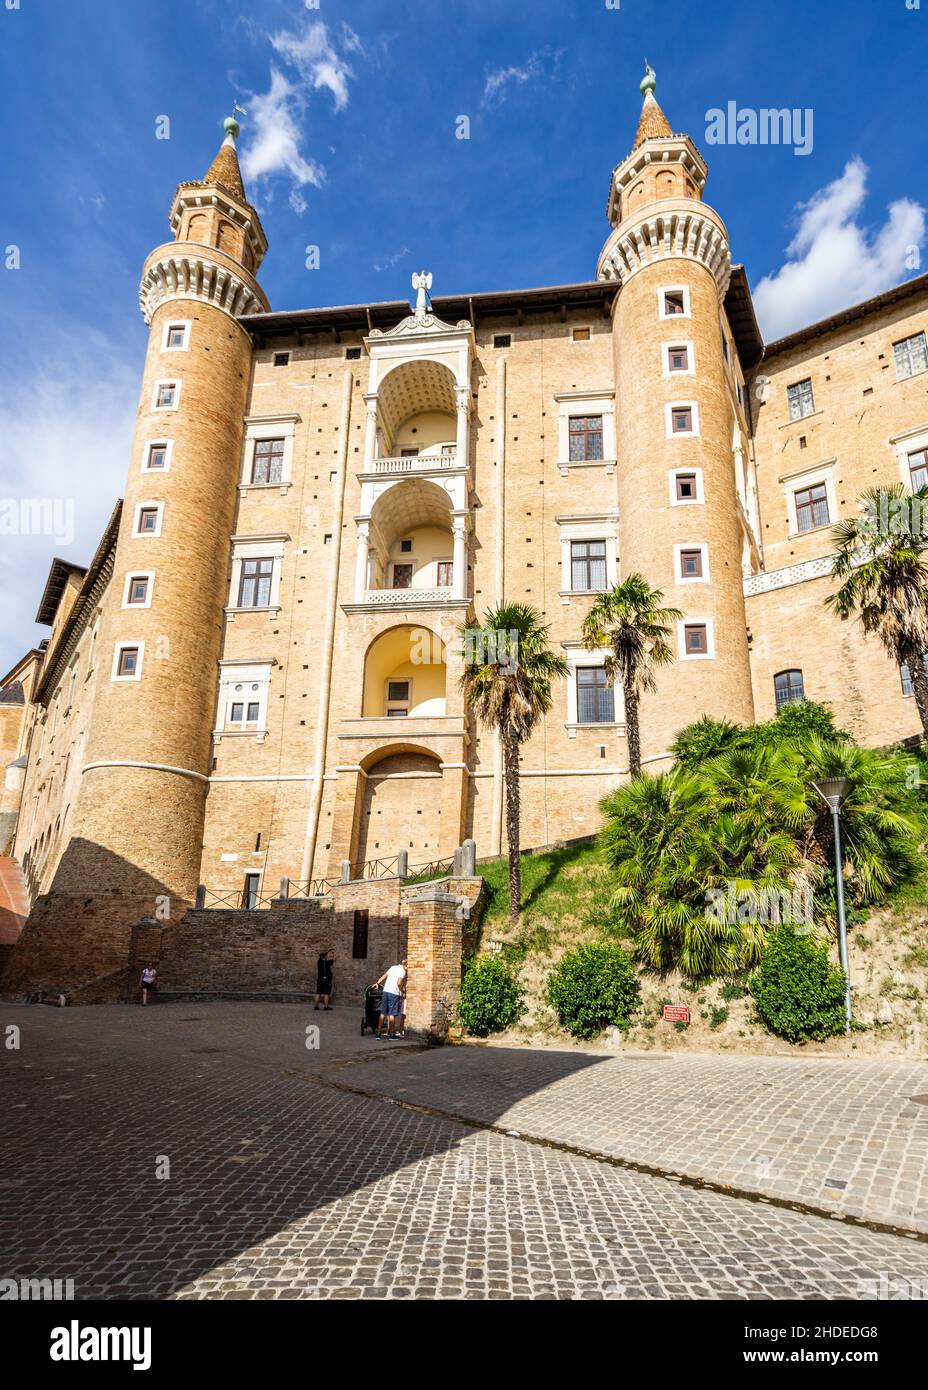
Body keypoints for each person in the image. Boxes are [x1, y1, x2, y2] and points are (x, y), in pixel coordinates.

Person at [372, 959, 407, 1039]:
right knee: (392, 1014)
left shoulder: (393, 967)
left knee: (383, 1013)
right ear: (406, 965)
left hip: (385, 991)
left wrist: (377, 983)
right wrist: (402, 992)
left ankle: (378, 1034)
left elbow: (384, 976)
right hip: (394, 993)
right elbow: (399, 983)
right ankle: (392, 1035)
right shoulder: (403, 971)